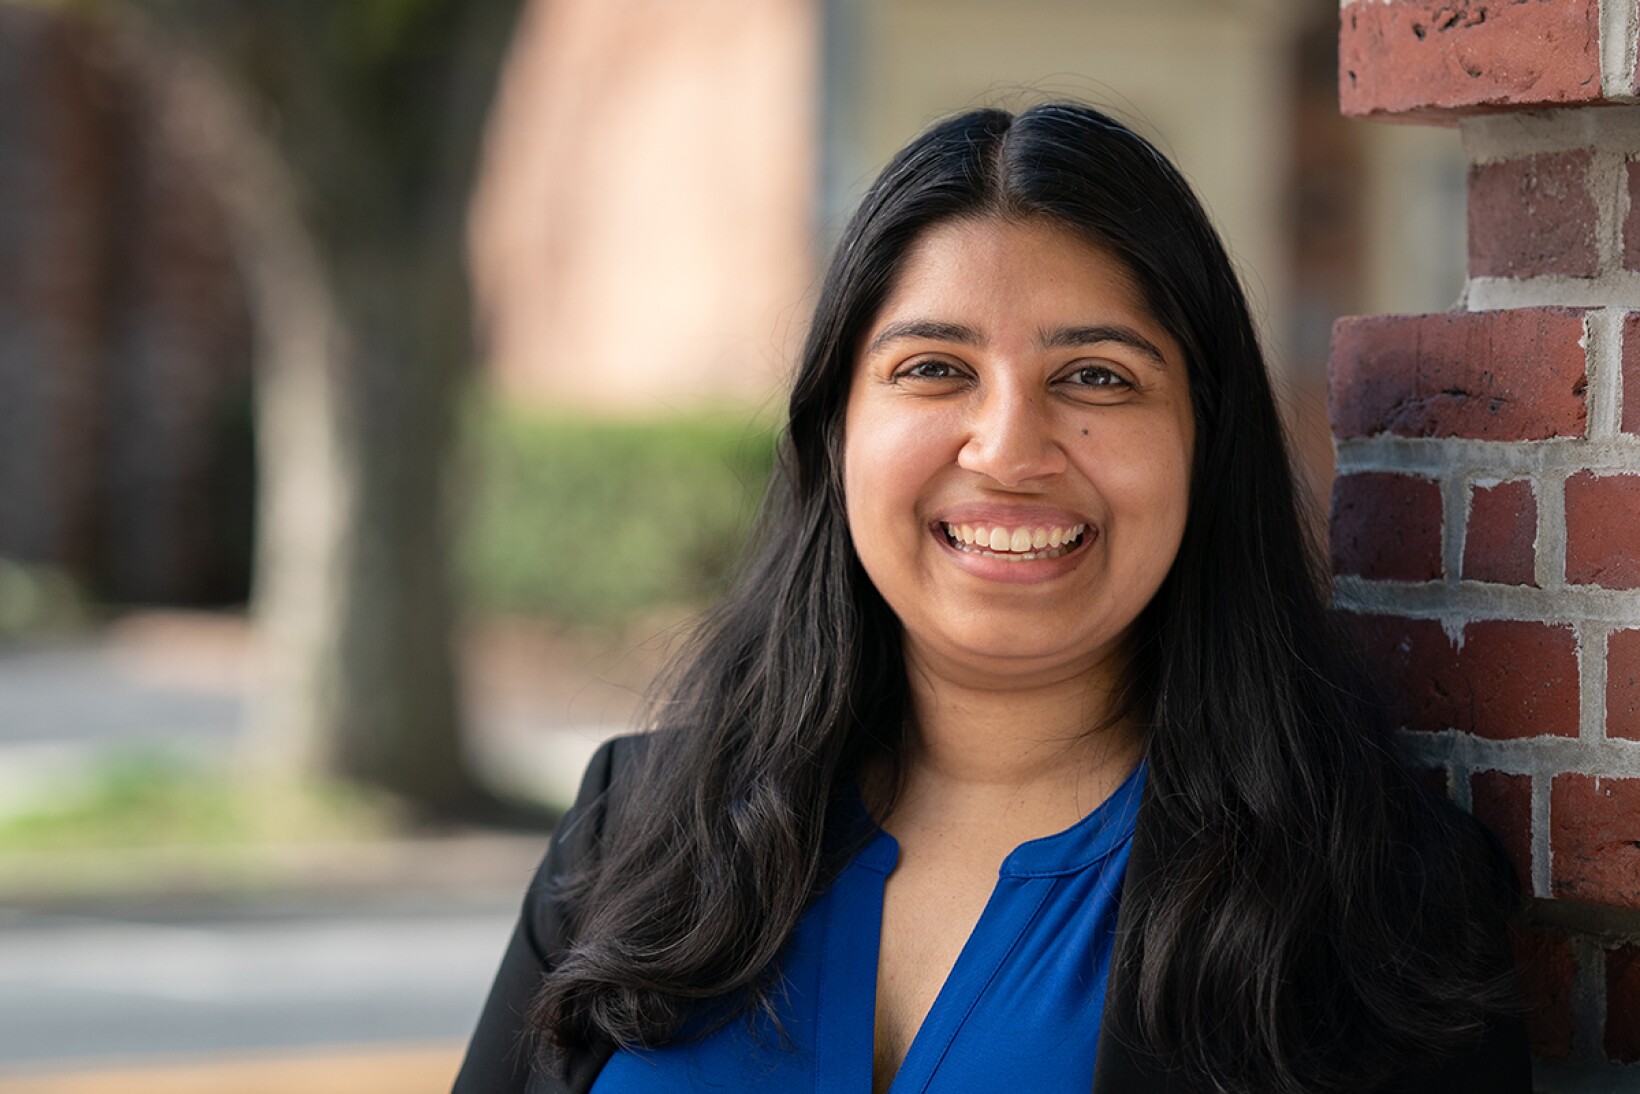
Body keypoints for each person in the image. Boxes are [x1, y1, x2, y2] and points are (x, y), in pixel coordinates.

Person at [454, 102, 1528, 1094]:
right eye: (931, 368)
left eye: (1096, 376)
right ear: (834, 431)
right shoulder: (629, 829)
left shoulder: (1377, 899)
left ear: (1205, 441)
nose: (1007, 448)